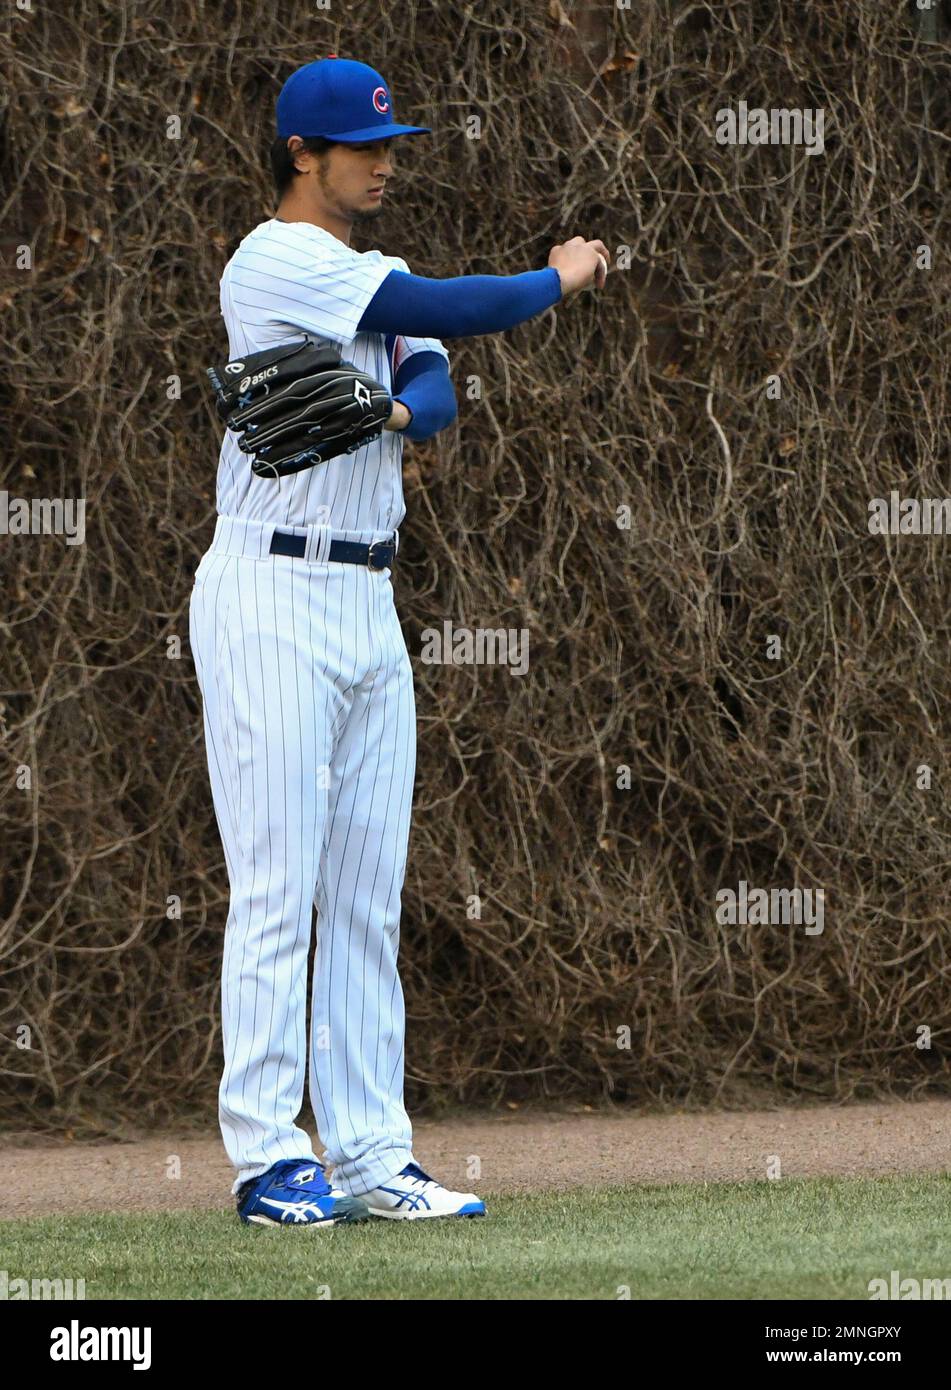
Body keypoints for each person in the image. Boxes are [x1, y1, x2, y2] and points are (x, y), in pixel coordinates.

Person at [189, 55, 611, 1226]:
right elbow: (448, 316)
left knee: (366, 894)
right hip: (268, 594)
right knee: (279, 886)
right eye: (362, 147)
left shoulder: (363, 272)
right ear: (301, 155)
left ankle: (371, 1153)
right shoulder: (277, 260)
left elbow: (437, 387)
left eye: (391, 145)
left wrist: (386, 406)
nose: (383, 162)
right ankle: (271, 1155)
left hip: (367, 601)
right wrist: (555, 278)